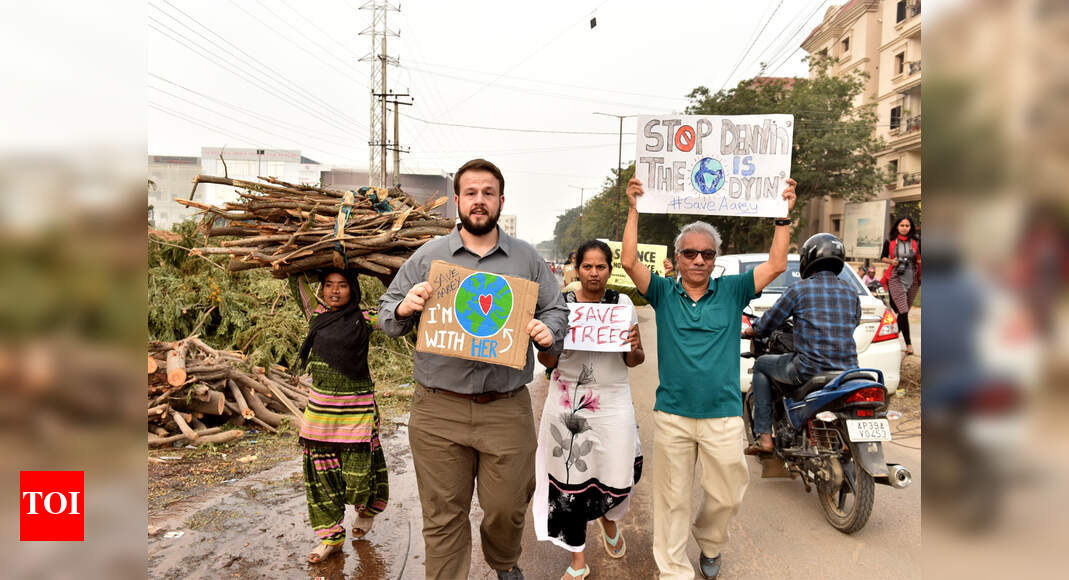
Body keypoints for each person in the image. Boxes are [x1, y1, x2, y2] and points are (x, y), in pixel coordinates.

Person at [379, 158, 569, 580]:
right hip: (438, 410)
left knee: (506, 506)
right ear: (458, 202)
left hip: (505, 407)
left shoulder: (527, 260)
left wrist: (547, 329)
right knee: (443, 515)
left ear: (501, 200)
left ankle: (504, 561)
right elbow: (386, 313)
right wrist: (405, 307)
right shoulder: (428, 257)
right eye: (470, 193)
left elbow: (557, 309)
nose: (479, 201)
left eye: (488, 193)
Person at [621, 176, 797, 579]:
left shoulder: (733, 290)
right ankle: (673, 571)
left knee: (728, 494)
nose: (699, 260)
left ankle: (710, 540)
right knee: (671, 500)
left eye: (706, 254)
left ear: (715, 258)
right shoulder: (663, 293)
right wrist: (634, 208)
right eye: (690, 253)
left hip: (722, 414)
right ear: (678, 257)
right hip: (673, 415)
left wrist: (783, 216)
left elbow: (775, 264)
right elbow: (629, 262)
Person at [533, 239, 646, 580]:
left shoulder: (622, 304)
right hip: (568, 403)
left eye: (601, 267)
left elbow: (635, 360)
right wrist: (552, 342)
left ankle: (609, 520)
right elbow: (546, 361)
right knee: (570, 479)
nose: (594, 273)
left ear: (610, 270)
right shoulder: (560, 305)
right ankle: (578, 560)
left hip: (613, 402)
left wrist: (634, 347)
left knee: (619, 472)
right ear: (576, 268)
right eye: (587, 266)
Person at [290, 268, 389, 563]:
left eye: (343, 285)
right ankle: (329, 537)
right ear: (321, 289)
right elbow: (296, 279)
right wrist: (314, 255)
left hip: (357, 412)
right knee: (321, 478)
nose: (335, 291)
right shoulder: (315, 315)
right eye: (329, 285)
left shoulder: (365, 318)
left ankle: (367, 509)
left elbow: (396, 310)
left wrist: (379, 269)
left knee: (359, 476)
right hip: (320, 413)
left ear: (353, 288)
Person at [741, 233, 862, 455]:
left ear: (808, 259)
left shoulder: (799, 289)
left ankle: (765, 437)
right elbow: (853, 323)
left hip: (808, 369)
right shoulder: (851, 291)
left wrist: (752, 331)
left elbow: (770, 321)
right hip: (848, 371)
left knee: (761, 366)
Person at [881, 216, 921, 355]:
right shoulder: (890, 241)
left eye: (907, 225)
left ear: (910, 227)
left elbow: (919, 260)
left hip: (913, 279)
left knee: (903, 313)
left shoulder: (915, 242)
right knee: (903, 312)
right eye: (902, 225)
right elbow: (883, 257)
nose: (904, 228)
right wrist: (892, 261)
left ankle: (890, 338)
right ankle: (909, 344)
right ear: (897, 226)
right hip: (896, 277)